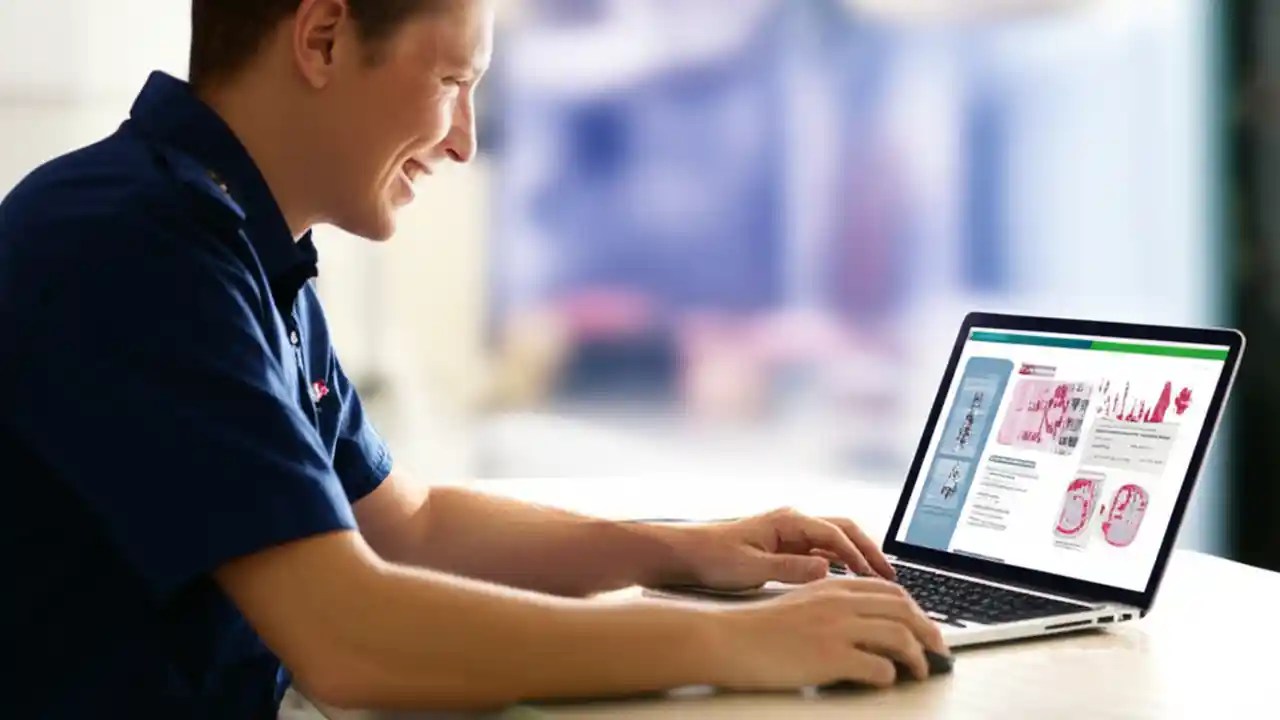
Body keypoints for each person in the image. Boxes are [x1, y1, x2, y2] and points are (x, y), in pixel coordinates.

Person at [0, 1, 947, 716]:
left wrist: (682, 550)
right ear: (323, 39)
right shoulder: (134, 246)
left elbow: (403, 523)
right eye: (455, 81)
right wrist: (735, 644)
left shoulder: (236, 243)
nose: (465, 141)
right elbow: (349, 635)